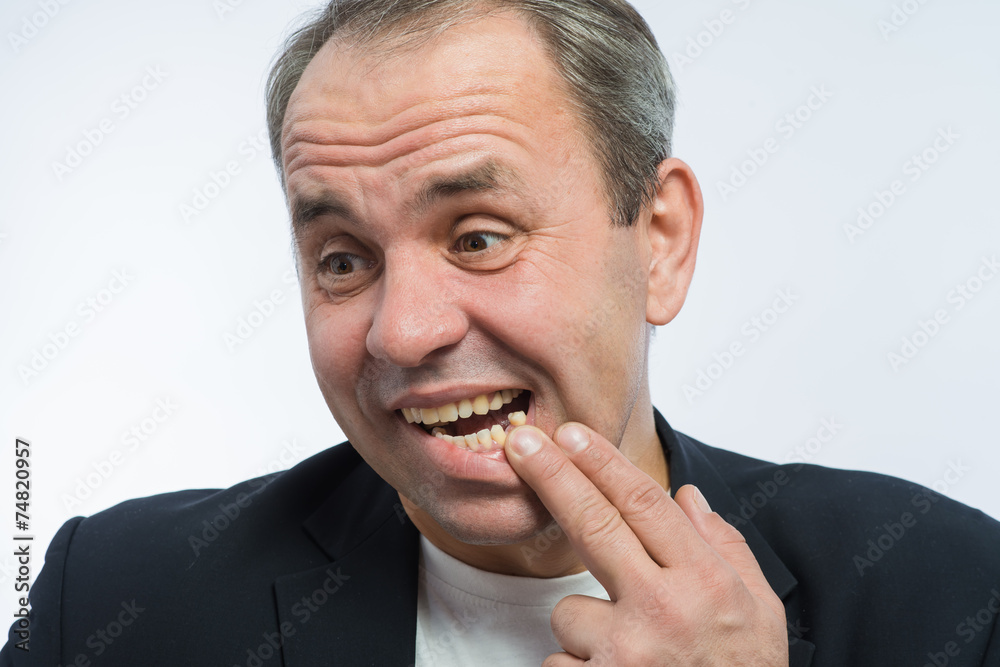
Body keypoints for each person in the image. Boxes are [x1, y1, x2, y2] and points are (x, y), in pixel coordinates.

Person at [4, 1, 998, 665]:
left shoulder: (946, 592)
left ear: (659, 241)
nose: (403, 331)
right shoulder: (111, 601)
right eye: (344, 258)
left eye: (479, 236)